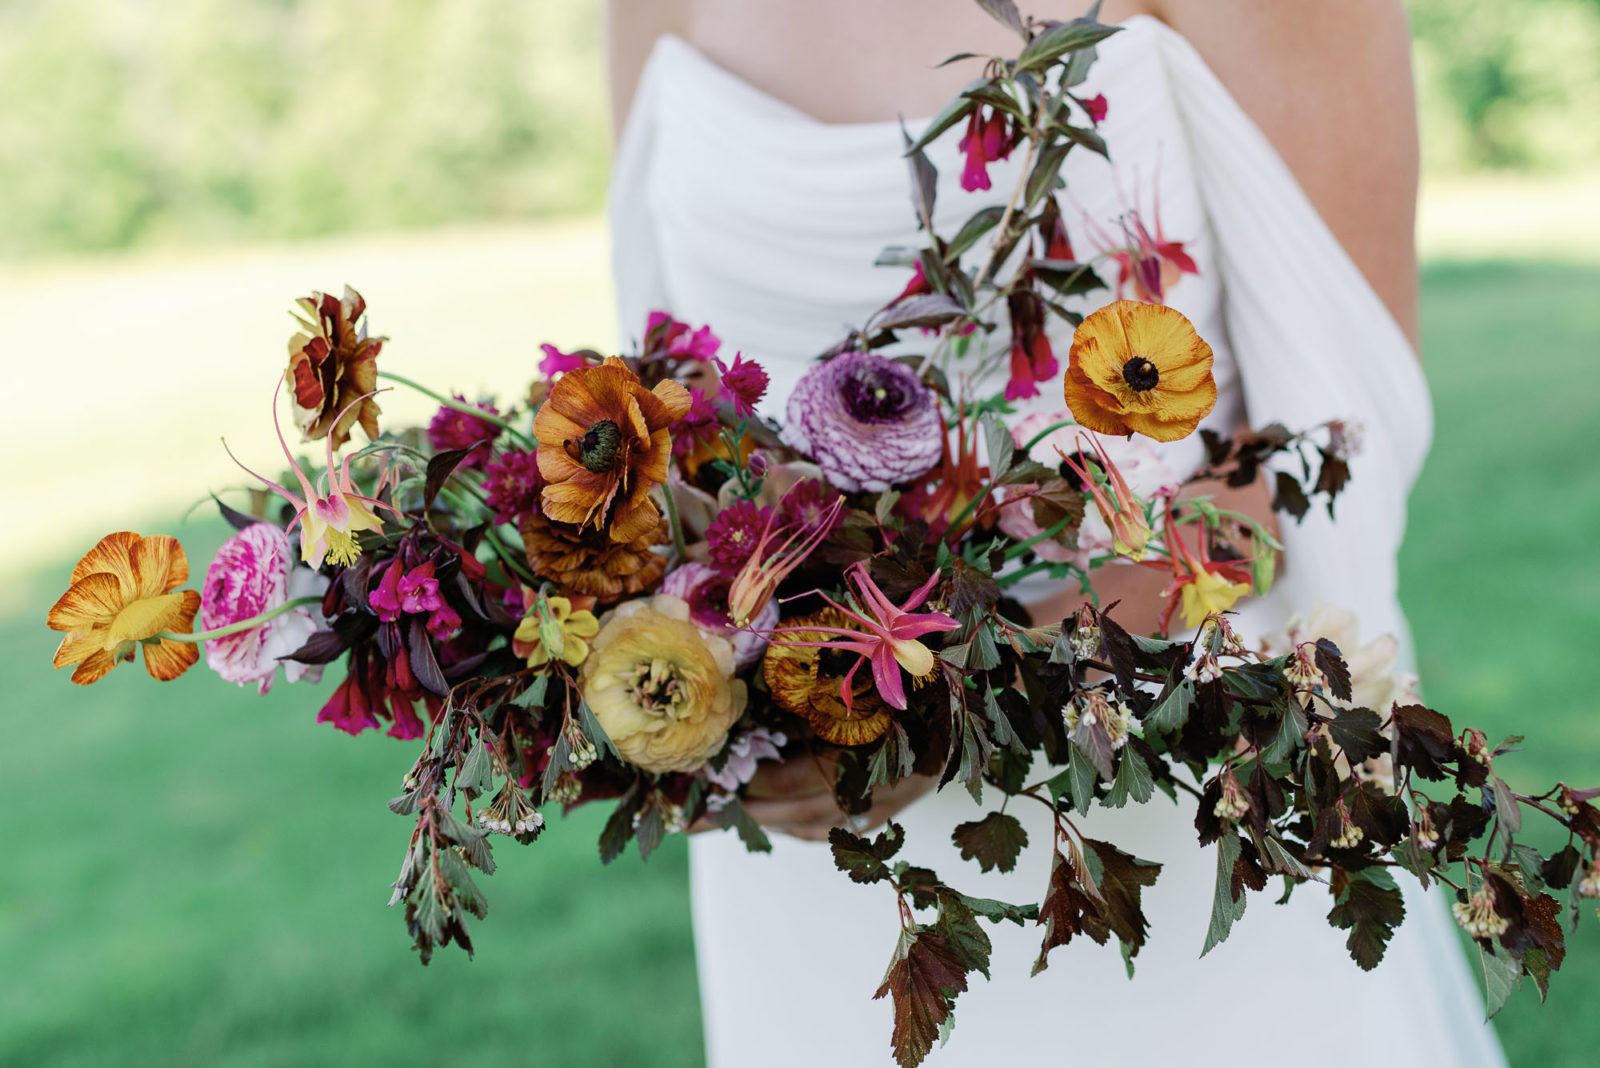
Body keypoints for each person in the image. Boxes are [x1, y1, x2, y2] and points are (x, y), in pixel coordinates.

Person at [605, 1, 1507, 1064]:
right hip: (807, 844)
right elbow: (667, 403)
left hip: (1158, 778)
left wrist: (971, 689)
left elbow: (1324, 454)